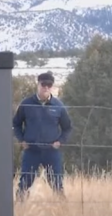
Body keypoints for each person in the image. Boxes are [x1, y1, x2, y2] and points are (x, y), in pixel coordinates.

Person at [12, 72, 72, 200]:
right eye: (43, 84)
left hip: (51, 151)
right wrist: (21, 140)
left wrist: (60, 142)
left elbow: (67, 128)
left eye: (49, 85)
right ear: (38, 84)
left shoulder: (58, 106)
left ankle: (62, 210)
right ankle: (20, 207)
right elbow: (16, 124)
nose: (46, 87)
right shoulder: (26, 104)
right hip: (31, 151)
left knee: (57, 183)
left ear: (52, 87)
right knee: (24, 183)